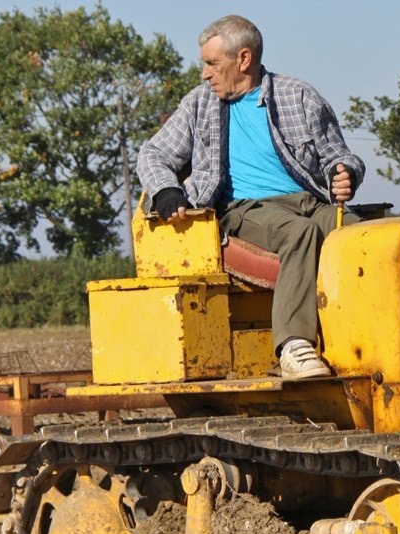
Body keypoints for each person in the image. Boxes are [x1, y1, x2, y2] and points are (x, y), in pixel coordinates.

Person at [136, 15, 365, 379]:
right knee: (300, 234)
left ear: (243, 59)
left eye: (212, 64)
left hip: (309, 201)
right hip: (242, 210)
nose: (205, 74)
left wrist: (345, 174)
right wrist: (166, 191)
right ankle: (293, 346)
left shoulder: (298, 96)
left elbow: (339, 155)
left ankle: (372, 333)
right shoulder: (198, 104)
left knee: (367, 238)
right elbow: (152, 154)